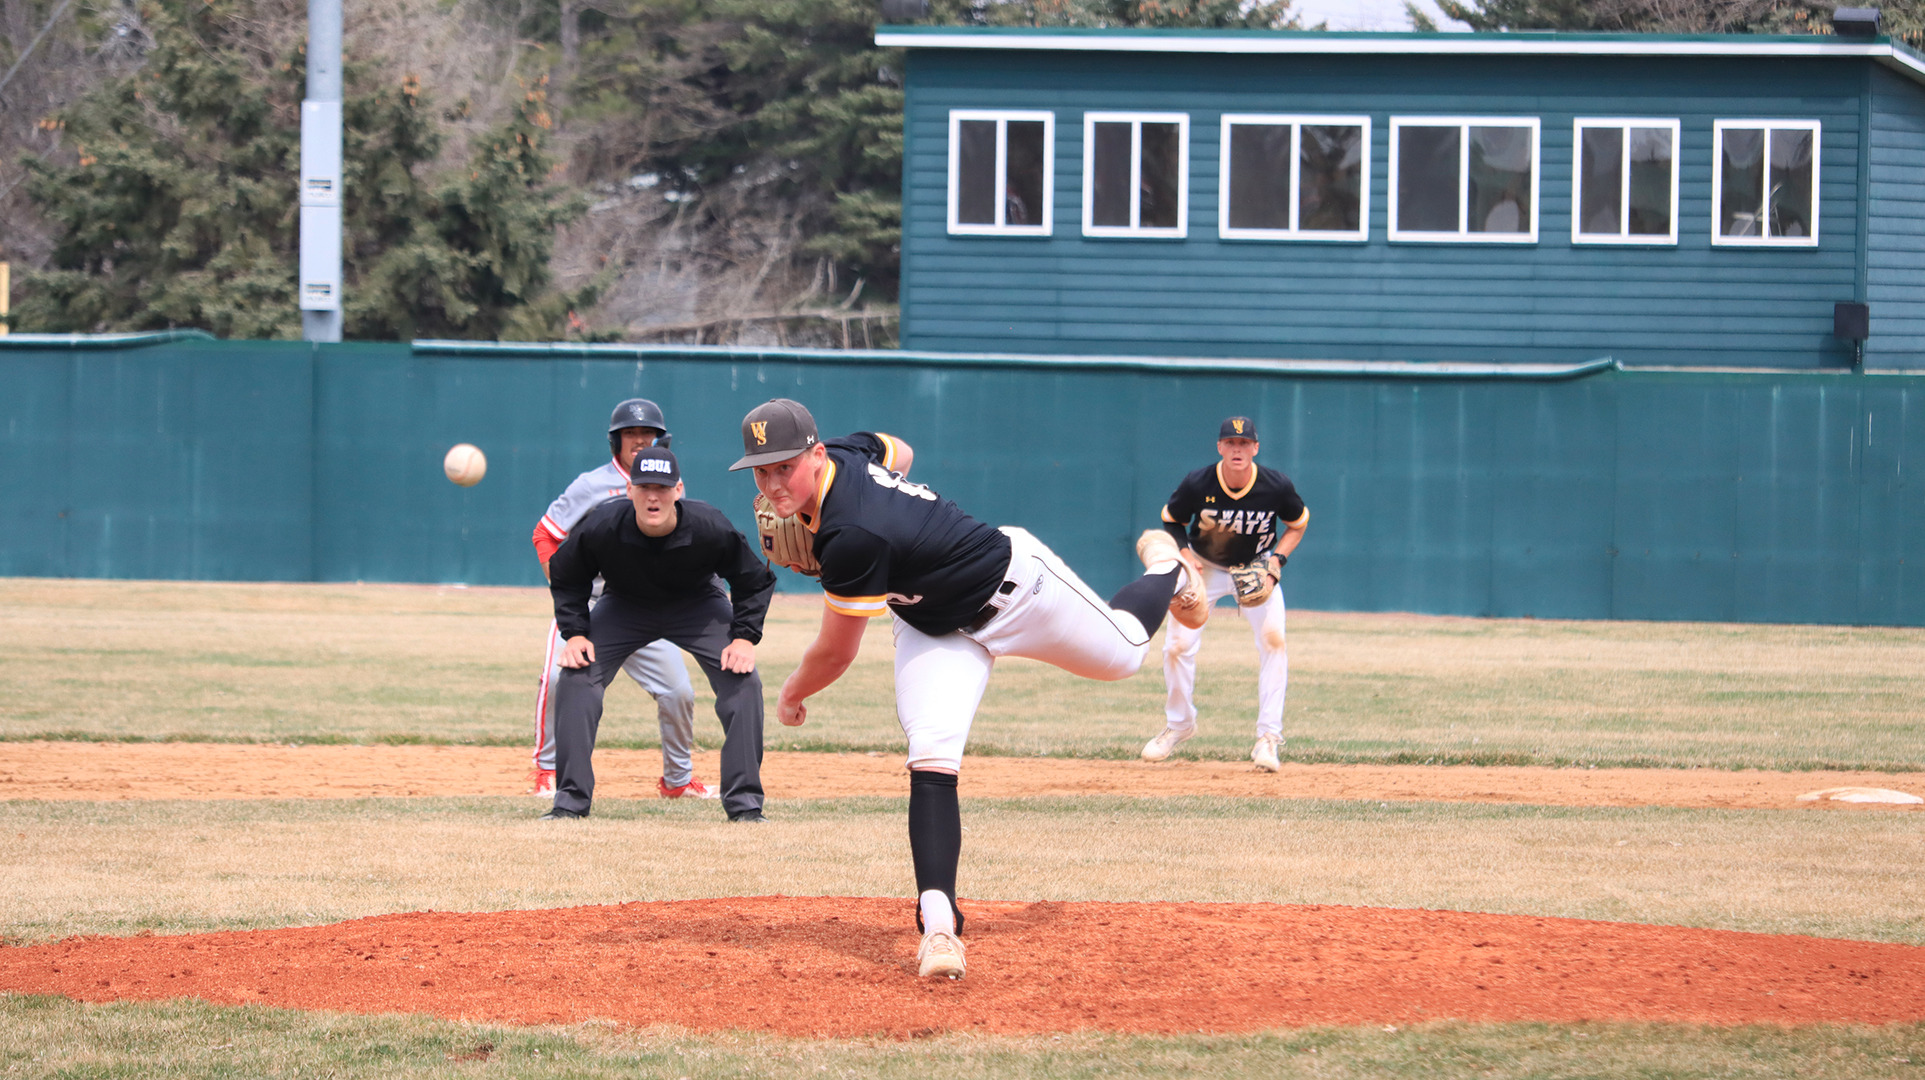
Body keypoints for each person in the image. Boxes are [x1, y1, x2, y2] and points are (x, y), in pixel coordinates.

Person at [732, 398, 1185, 980]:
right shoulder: (847, 451)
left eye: (784, 466)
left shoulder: (852, 536)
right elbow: (899, 450)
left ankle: (1168, 569)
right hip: (933, 626)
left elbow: (836, 652)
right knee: (931, 754)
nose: (772, 484)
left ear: (817, 455)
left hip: (1018, 593)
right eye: (761, 471)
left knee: (1125, 653)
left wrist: (793, 693)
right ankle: (940, 925)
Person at [544, 447, 775, 822]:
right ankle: (569, 803)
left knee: (744, 682)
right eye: (645, 486)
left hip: (698, 604)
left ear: (679, 490)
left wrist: (744, 638)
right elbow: (566, 574)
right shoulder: (603, 524)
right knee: (575, 678)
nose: (654, 496)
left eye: (663, 487)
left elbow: (754, 580)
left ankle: (745, 806)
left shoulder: (708, 525)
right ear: (629, 490)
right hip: (625, 605)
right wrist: (575, 633)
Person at [528, 399, 711, 801]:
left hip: (644, 606)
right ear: (616, 441)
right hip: (591, 607)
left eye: (648, 435)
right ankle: (546, 771)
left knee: (678, 691)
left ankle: (677, 781)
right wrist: (566, 591)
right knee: (560, 680)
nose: (641, 440)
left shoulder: (670, 486)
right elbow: (546, 534)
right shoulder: (590, 486)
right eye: (632, 434)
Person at [1140, 416, 1309, 773]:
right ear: (1219, 447)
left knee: (1274, 642)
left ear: (1255, 449)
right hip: (1205, 566)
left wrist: (1276, 561)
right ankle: (1179, 725)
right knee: (1176, 647)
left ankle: (1268, 738)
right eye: (1230, 443)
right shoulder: (1198, 482)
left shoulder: (1275, 486)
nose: (1237, 449)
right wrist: (1186, 556)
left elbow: (1298, 523)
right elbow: (1172, 519)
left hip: (1256, 567)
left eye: (1244, 443)